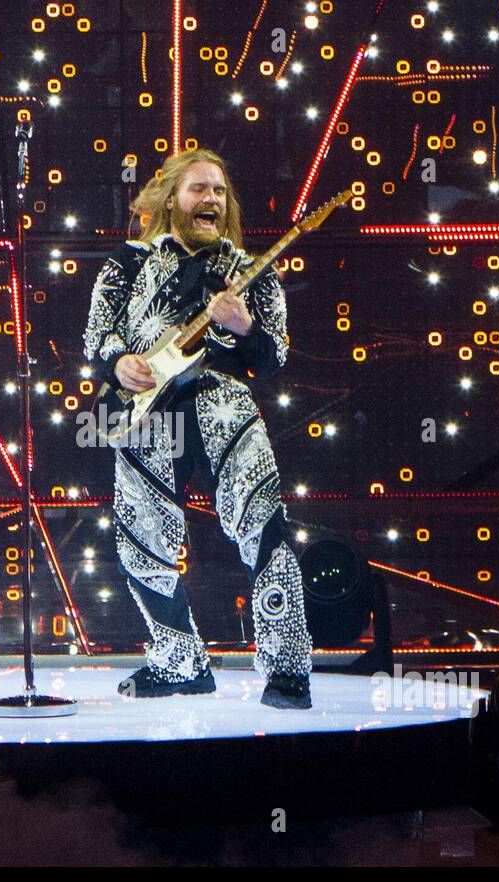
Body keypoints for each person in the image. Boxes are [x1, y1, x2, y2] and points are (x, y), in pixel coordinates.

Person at [82, 147, 313, 709]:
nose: (211, 199)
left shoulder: (248, 270)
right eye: (199, 189)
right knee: (142, 544)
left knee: (263, 525)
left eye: (219, 191)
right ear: (170, 200)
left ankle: (287, 668)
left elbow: (274, 353)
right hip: (145, 413)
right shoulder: (126, 263)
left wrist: (244, 325)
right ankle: (178, 660)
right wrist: (120, 363)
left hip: (224, 407)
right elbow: (96, 340)